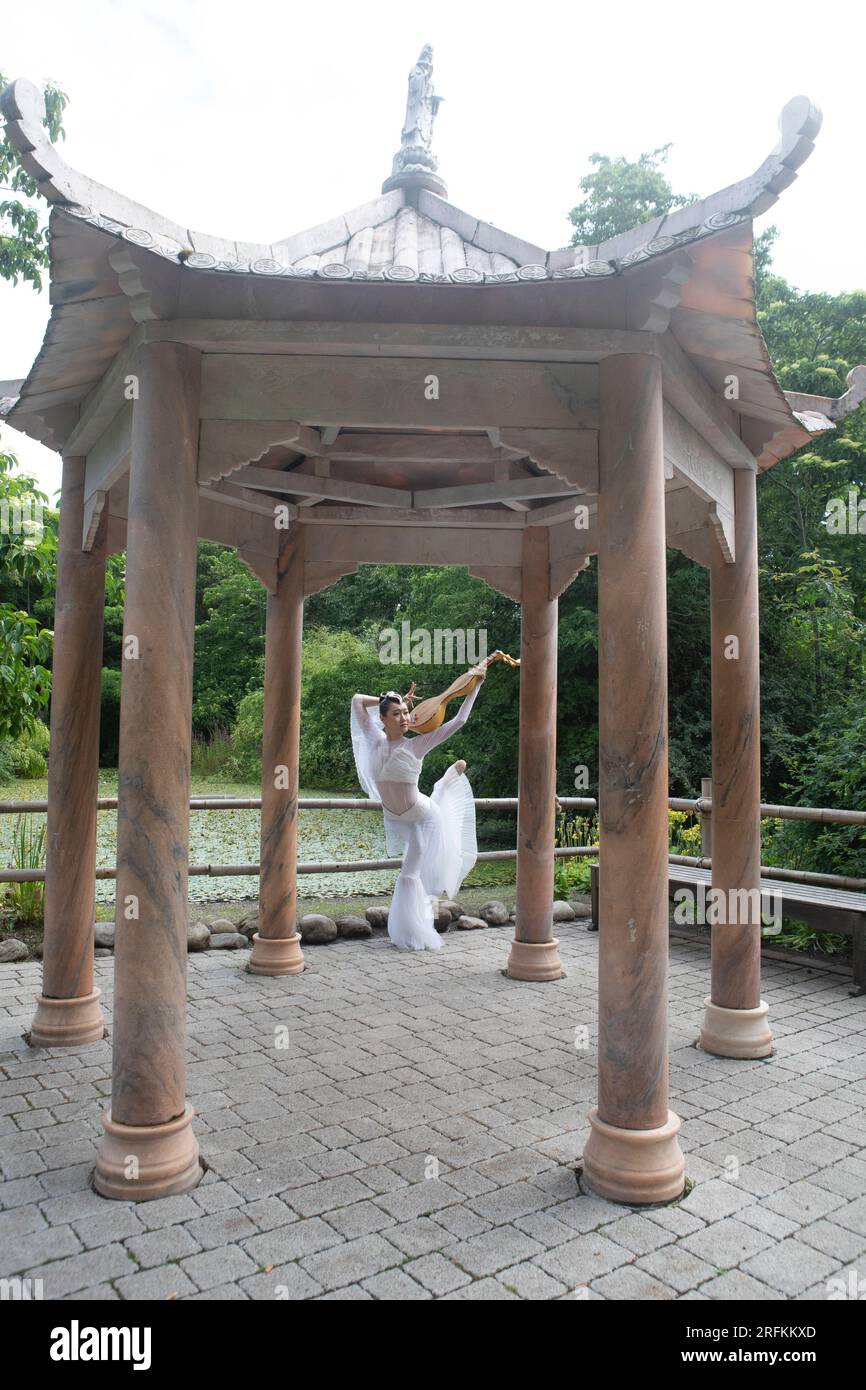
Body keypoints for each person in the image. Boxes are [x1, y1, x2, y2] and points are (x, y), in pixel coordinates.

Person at [350, 669, 486, 951]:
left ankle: (412, 932)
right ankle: (444, 782)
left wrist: (474, 687)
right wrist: (387, 697)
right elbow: (356, 701)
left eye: (405, 712)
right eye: (397, 713)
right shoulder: (374, 739)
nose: (404, 718)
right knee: (410, 874)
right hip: (398, 818)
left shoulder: (417, 745)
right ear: (383, 718)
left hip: (423, 818)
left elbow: (459, 720)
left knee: (412, 875)